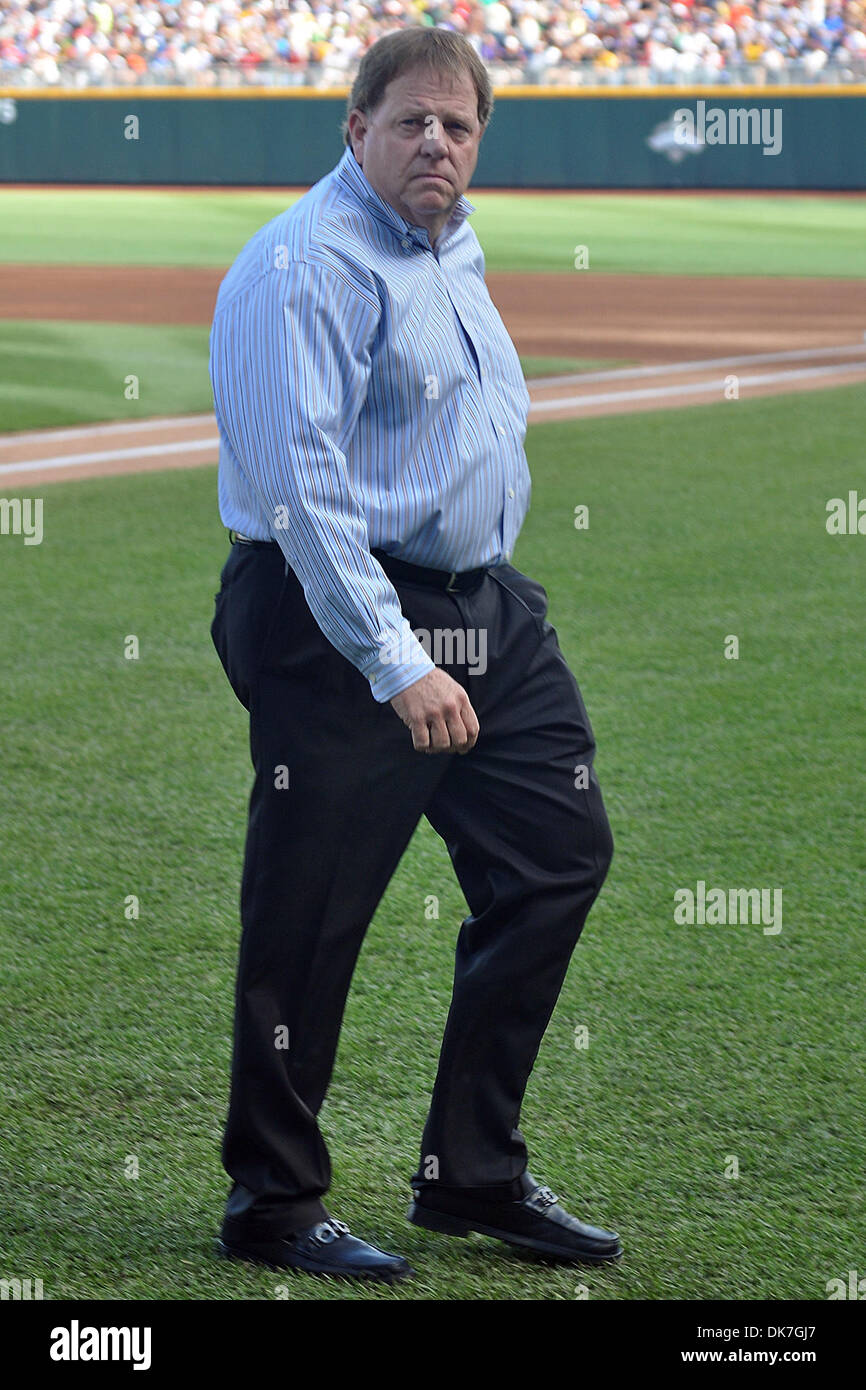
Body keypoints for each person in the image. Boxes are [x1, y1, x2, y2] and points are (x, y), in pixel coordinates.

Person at [209, 25, 621, 1284]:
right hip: (334, 615)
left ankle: (470, 1174)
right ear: (356, 128)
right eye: (410, 122)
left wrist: (476, 616)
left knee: (557, 853)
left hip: (482, 607)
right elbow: (301, 494)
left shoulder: (452, 245)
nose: (435, 141)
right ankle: (272, 1201)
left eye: (457, 124)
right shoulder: (302, 265)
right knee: (314, 908)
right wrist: (396, 659)